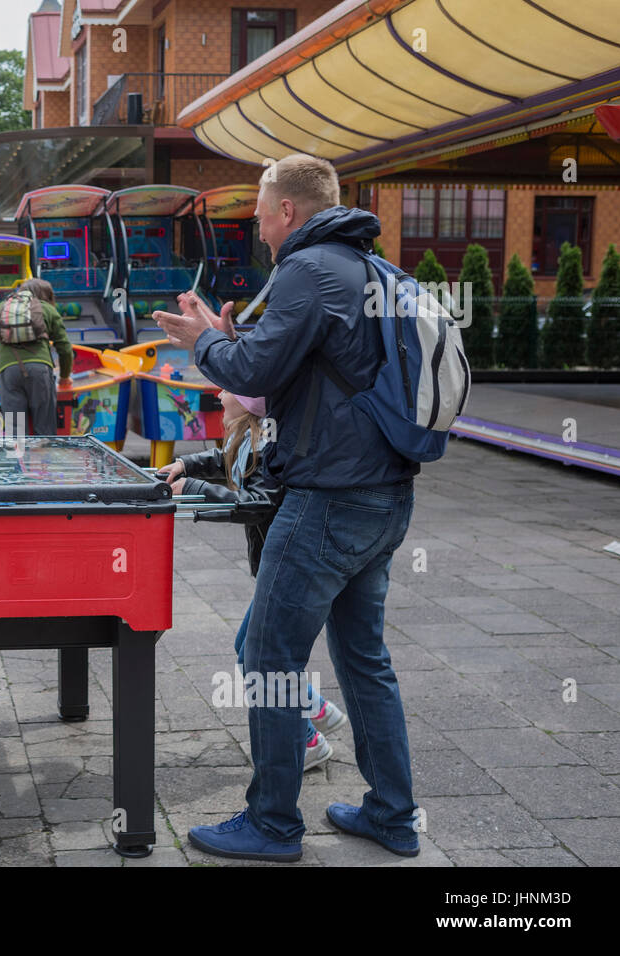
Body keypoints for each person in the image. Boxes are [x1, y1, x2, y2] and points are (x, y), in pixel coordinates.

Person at [155, 153, 421, 862]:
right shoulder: (369, 268)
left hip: (328, 499)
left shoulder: (306, 268)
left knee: (269, 655)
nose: (258, 228)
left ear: (288, 210)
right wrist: (228, 337)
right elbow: (308, 366)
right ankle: (393, 815)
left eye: (260, 214)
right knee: (364, 659)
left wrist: (205, 344)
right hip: (385, 494)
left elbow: (253, 373)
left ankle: (272, 824)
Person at [160, 391, 347, 773]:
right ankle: (315, 709)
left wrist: (194, 490)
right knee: (250, 648)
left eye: (228, 388)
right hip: (280, 567)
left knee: (255, 656)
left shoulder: (267, 443)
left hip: (291, 566)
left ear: (250, 403)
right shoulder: (248, 438)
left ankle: (308, 740)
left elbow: (259, 502)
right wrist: (185, 464)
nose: (218, 394)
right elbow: (224, 460)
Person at [0, 278, 74, 435]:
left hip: (8, 371)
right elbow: (65, 348)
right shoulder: (47, 309)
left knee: (16, 430)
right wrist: (65, 376)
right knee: (45, 427)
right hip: (40, 370)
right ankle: (44, 450)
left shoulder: (2, 308)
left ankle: (19, 450)